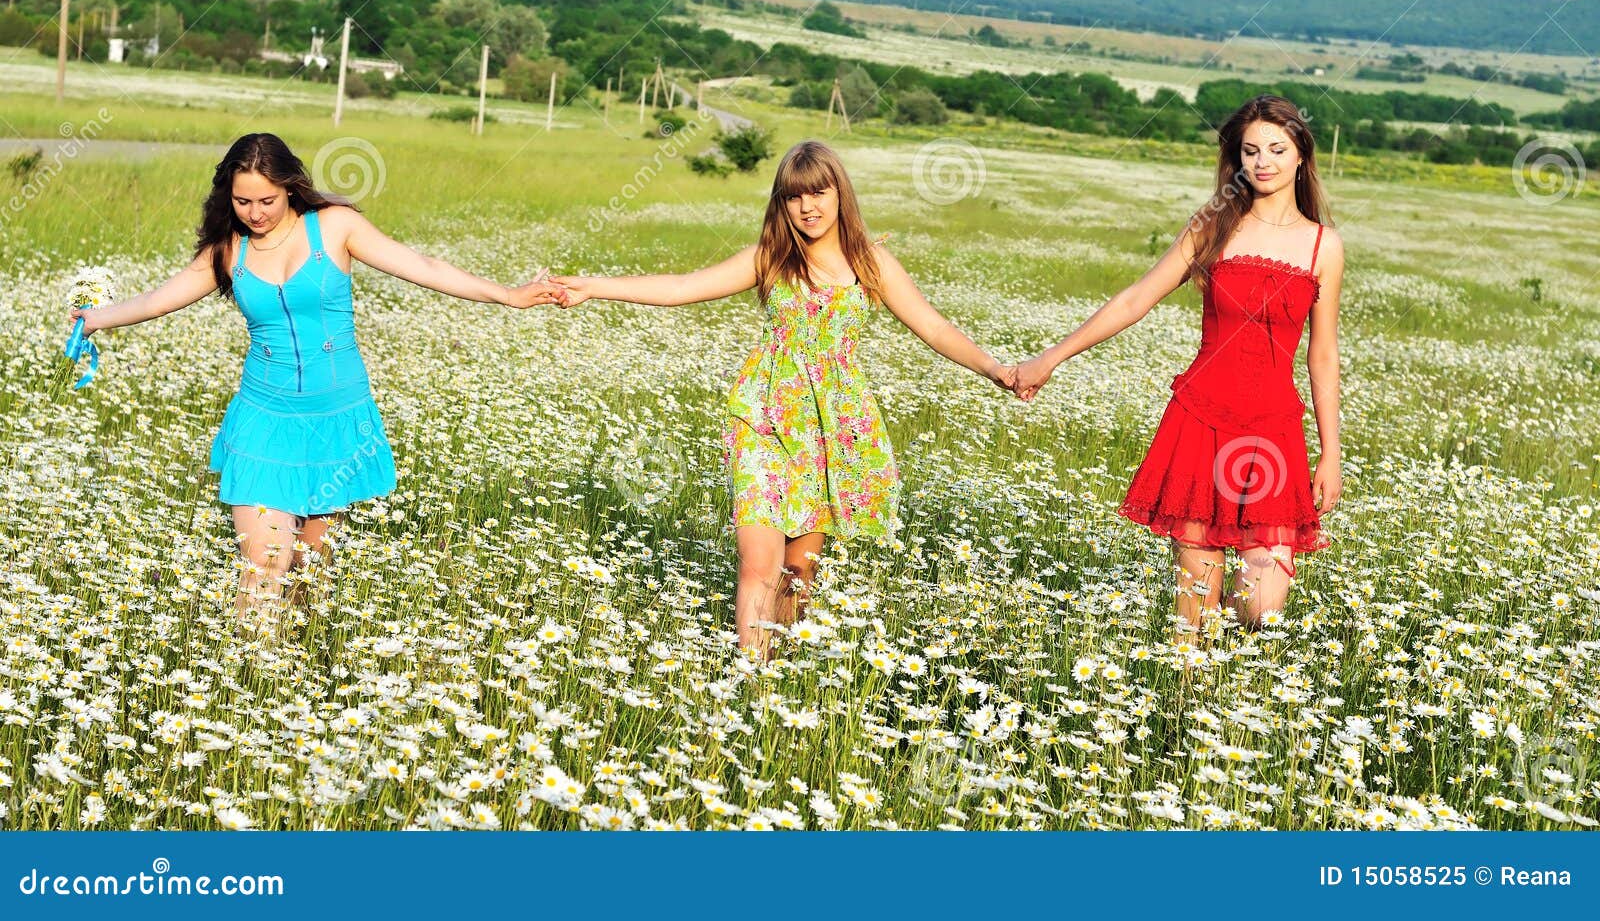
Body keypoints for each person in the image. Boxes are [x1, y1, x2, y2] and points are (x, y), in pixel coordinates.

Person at [69, 133, 561, 623]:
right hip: (263, 420)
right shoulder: (228, 250)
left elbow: (425, 267)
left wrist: (508, 295)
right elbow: (158, 300)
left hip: (335, 420)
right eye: (242, 201)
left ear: (289, 187)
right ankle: (250, 662)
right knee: (265, 565)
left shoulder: (335, 226)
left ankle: (293, 657)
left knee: (309, 571)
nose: (255, 213)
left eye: (267, 200)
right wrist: (94, 320)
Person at [552, 140, 1018, 658]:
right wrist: (593, 286)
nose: (807, 207)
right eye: (795, 197)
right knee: (760, 564)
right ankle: (750, 678)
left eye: (818, 193)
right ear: (782, 202)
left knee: (799, 574)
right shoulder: (771, 258)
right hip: (763, 420)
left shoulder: (871, 262)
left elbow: (933, 327)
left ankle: (778, 672)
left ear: (840, 195)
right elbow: (681, 287)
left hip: (830, 430)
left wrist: (994, 369)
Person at [1015, 95, 1344, 644]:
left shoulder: (1322, 246)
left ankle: (1224, 647)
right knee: (1194, 607)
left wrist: (1331, 452)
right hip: (1200, 421)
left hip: (1273, 434)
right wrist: (1050, 358)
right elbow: (1135, 299)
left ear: (1301, 156)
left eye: (1276, 149)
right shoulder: (1214, 226)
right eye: (1251, 151)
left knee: (1261, 605)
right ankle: (1187, 690)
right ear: (1237, 158)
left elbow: (1323, 355)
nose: (1263, 162)